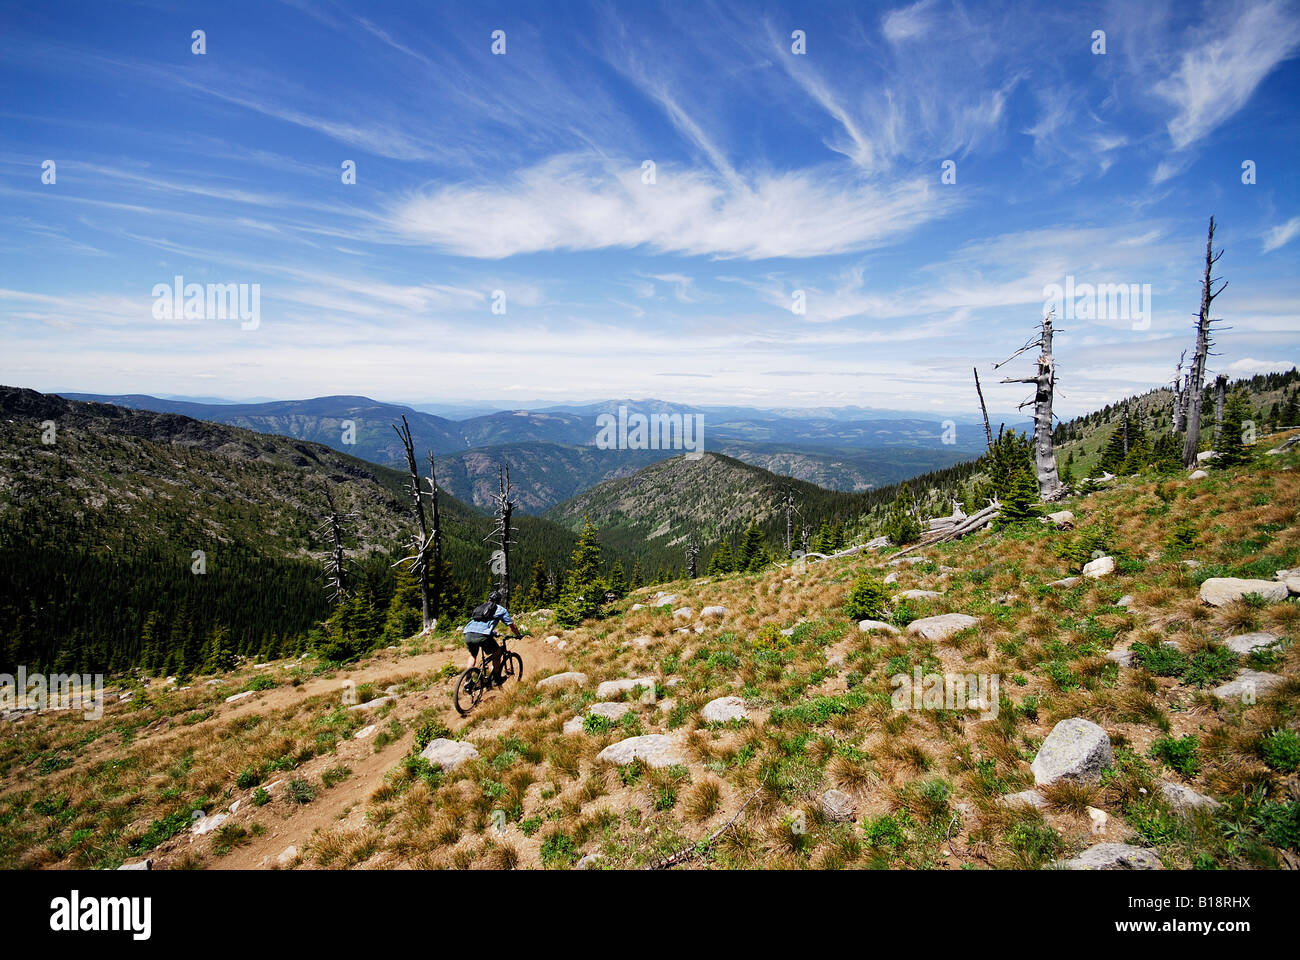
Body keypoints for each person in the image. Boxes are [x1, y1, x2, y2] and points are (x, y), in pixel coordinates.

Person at [462, 590, 523, 686]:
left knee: (473, 655)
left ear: (488, 599)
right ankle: (496, 679)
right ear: (499, 600)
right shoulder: (501, 609)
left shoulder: (481, 607)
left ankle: (468, 680)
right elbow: (511, 625)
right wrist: (518, 635)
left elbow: (480, 623)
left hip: (468, 633)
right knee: (497, 652)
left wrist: (493, 632)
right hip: (482, 636)